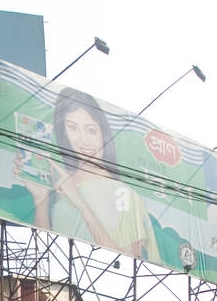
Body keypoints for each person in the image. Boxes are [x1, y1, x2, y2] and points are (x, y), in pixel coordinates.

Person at [18, 88, 159, 260]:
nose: (83, 140)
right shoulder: (58, 182)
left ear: (103, 133)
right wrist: (40, 199)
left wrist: (80, 203)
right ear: (64, 132)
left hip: (103, 285)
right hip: (61, 284)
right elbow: (41, 253)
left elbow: (128, 260)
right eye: (73, 128)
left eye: (91, 130)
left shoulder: (124, 194)